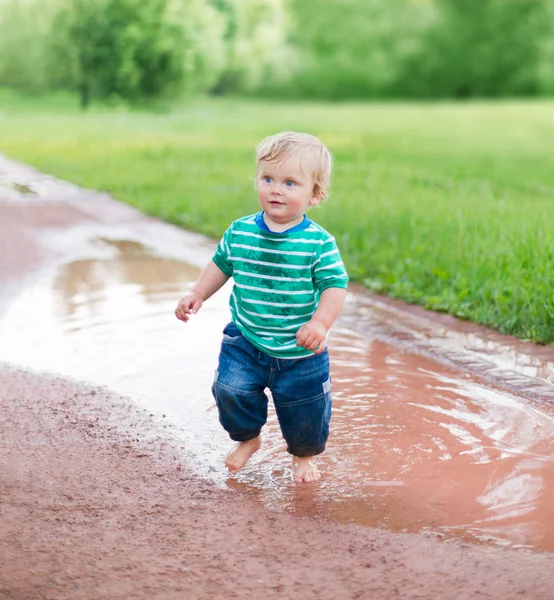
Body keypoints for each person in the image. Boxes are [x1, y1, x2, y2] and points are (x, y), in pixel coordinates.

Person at [175, 131, 348, 483]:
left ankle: (302, 458)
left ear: (315, 195)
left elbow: (334, 286)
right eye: (268, 179)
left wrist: (320, 323)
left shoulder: (318, 243)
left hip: (300, 351)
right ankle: (248, 438)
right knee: (230, 390)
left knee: (306, 413)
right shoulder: (241, 232)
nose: (276, 189)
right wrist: (198, 293)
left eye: (290, 183)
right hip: (247, 339)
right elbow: (222, 264)